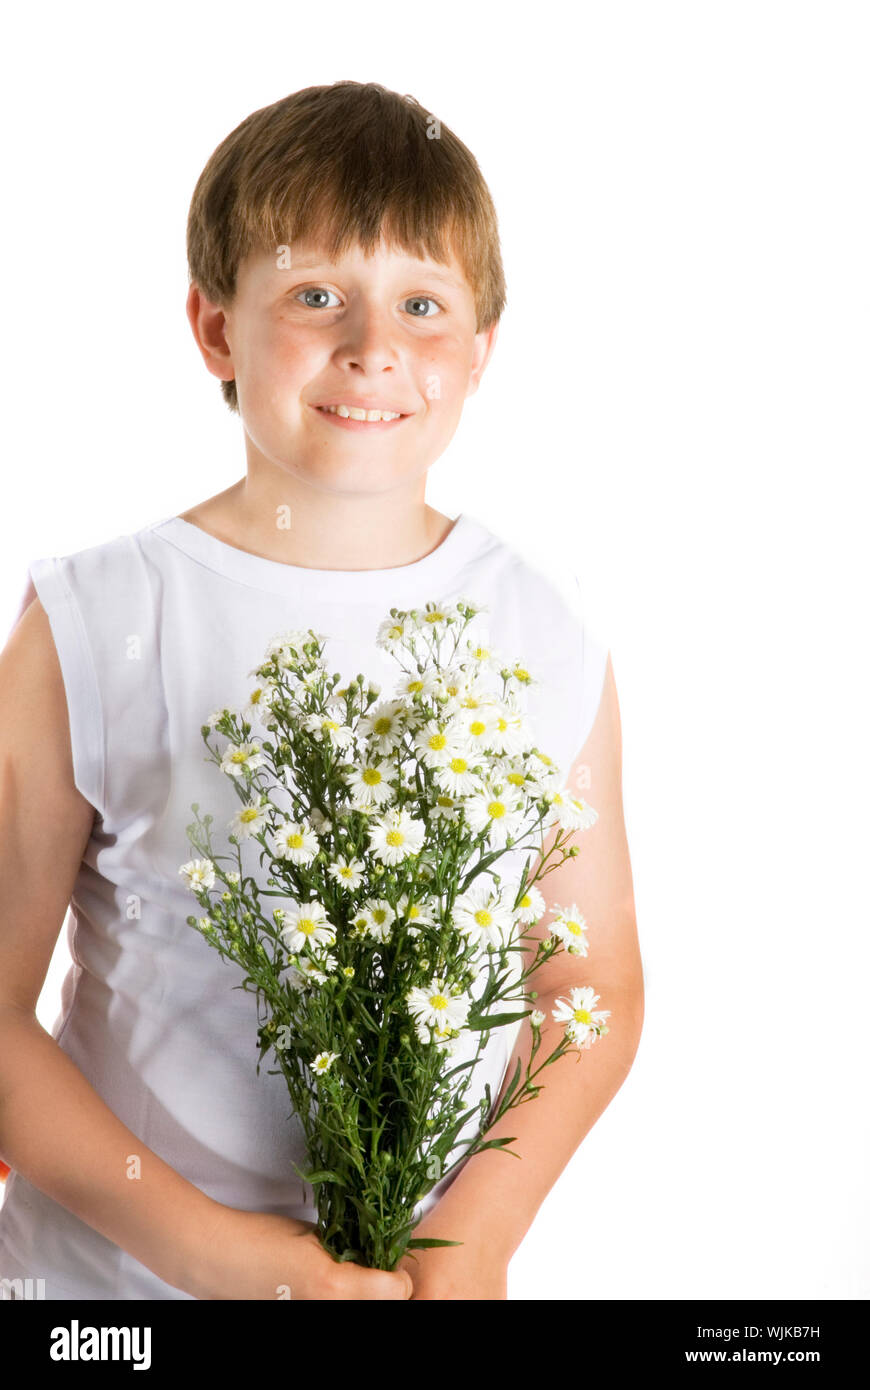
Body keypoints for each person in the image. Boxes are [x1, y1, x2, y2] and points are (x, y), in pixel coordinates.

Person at [0, 80, 643, 1301]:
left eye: (421, 304)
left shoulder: (543, 631)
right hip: (114, 1294)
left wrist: (478, 1231)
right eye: (313, 296)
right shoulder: (93, 621)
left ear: (482, 349)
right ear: (214, 330)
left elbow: (589, 979)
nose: (374, 348)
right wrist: (210, 1252)